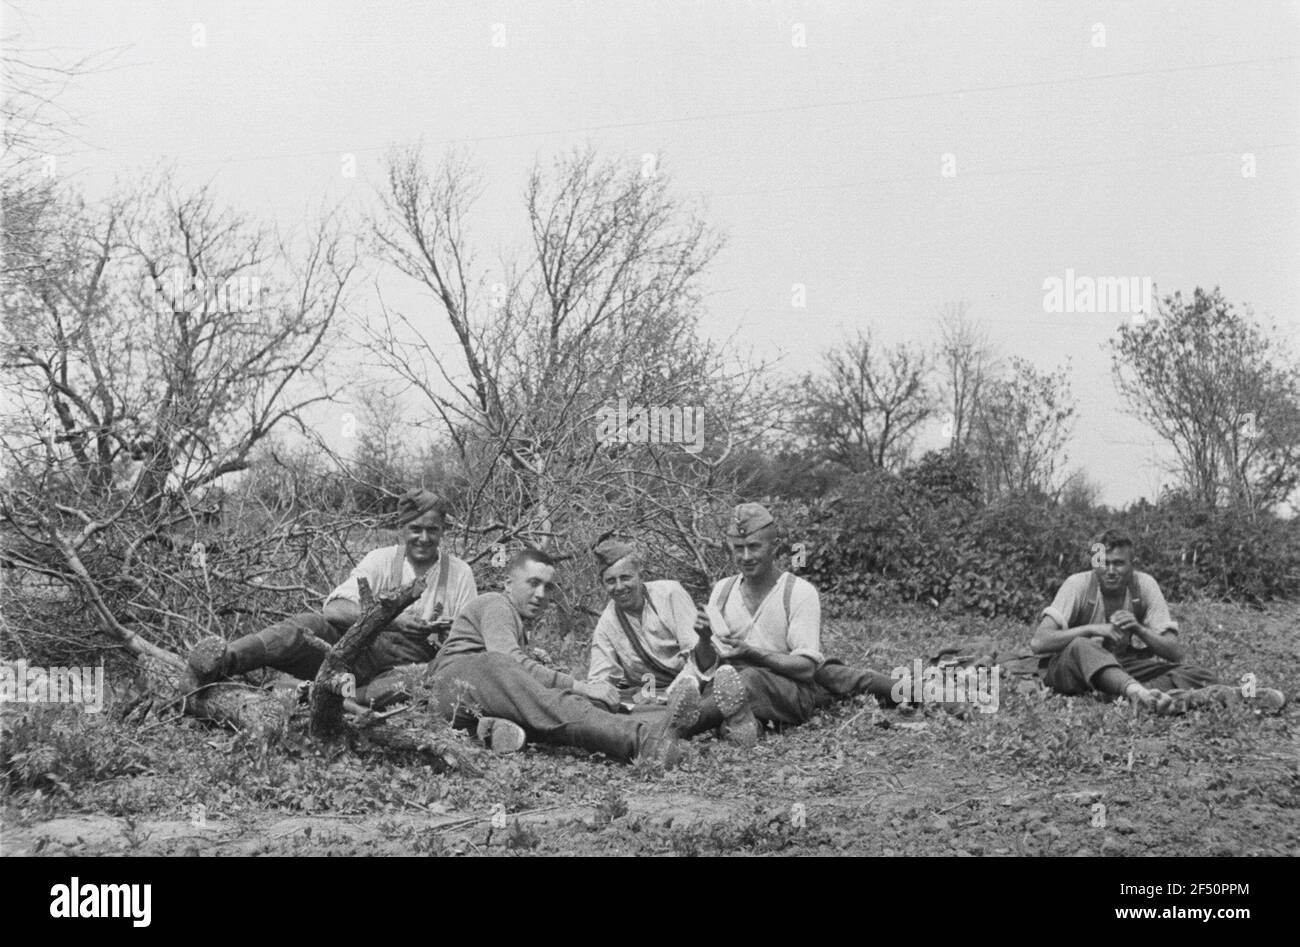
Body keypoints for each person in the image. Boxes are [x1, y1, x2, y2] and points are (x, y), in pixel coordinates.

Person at [187, 489, 477, 704]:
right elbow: (335, 610)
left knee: (409, 685)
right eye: (415, 528)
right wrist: (394, 621)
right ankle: (222, 662)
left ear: (443, 530)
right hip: (353, 656)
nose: (423, 538)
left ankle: (314, 695)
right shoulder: (381, 560)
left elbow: (469, 643)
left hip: (406, 672)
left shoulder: (459, 573)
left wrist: (442, 638)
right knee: (305, 627)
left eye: (432, 530)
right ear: (402, 528)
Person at [428, 547, 699, 765]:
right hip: (456, 684)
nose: (540, 594)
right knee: (542, 694)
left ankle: (492, 731)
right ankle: (641, 740)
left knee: (557, 705)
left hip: (472, 703)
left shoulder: (516, 620)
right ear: (508, 583)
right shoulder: (495, 603)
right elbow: (508, 660)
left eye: (547, 587)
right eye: (533, 583)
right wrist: (580, 686)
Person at [683, 502, 901, 746]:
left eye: (754, 547)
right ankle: (745, 724)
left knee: (750, 680)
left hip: (787, 690)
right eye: (738, 548)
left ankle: (682, 727)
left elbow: (807, 668)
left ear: (774, 547)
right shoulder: (722, 590)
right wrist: (703, 638)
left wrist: (752, 653)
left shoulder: (799, 592)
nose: (746, 557)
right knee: (727, 686)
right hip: (732, 685)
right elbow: (707, 665)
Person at [1032, 529, 1285, 714]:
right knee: (1081, 645)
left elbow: (1173, 652)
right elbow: (1039, 642)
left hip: (1120, 667)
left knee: (1194, 673)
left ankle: (1175, 699)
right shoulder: (1078, 584)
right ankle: (1138, 694)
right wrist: (1092, 629)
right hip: (1069, 671)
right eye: (1104, 562)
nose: (1110, 571)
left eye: (1119, 563)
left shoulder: (1144, 585)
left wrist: (1138, 629)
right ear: (1095, 562)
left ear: (1132, 565)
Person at [586, 538, 714, 704]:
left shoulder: (670, 594)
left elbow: (699, 658)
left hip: (694, 683)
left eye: (625, 578)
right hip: (649, 696)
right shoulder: (607, 622)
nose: (619, 587)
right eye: (610, 581)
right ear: (602, 584)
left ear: (641, 576)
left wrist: (667, 696)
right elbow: (600, 678)